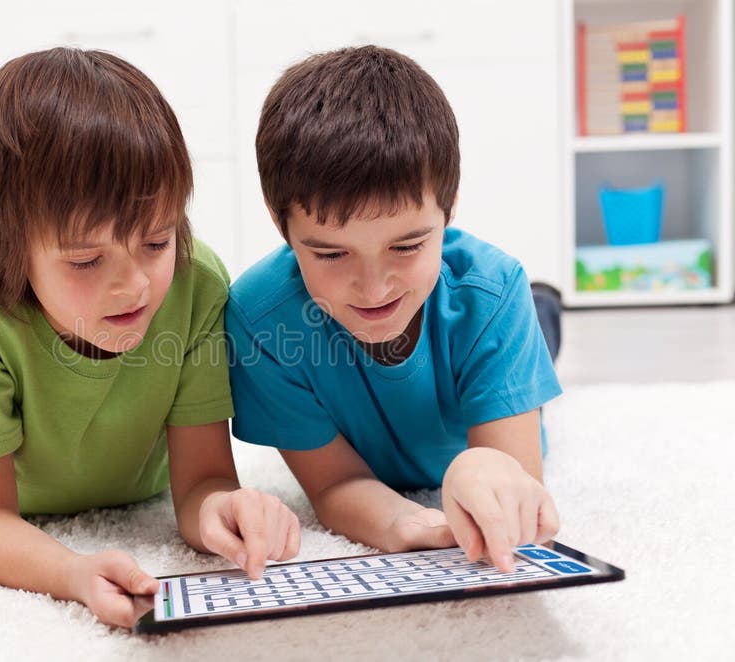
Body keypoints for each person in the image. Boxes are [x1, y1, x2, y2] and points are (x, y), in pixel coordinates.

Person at [0, 47, 300, 629]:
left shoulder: (196, 284)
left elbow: (203, 481)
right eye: (87, 261)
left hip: (99, 462)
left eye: (157, 242)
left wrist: (226, 508)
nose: (135, 285)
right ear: (5, 248)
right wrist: (72, 573)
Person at [226, 45, 563, 574]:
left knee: (532, 318)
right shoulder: (259, 320)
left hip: (490, 312)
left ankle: (545, 309)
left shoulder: (493, 292)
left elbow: (517, 478)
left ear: (448, 209)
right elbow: (335, 483)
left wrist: (484, 466)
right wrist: (410, 524)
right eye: (331, 253)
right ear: (280, 223)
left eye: (406, 246)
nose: (373, 285)